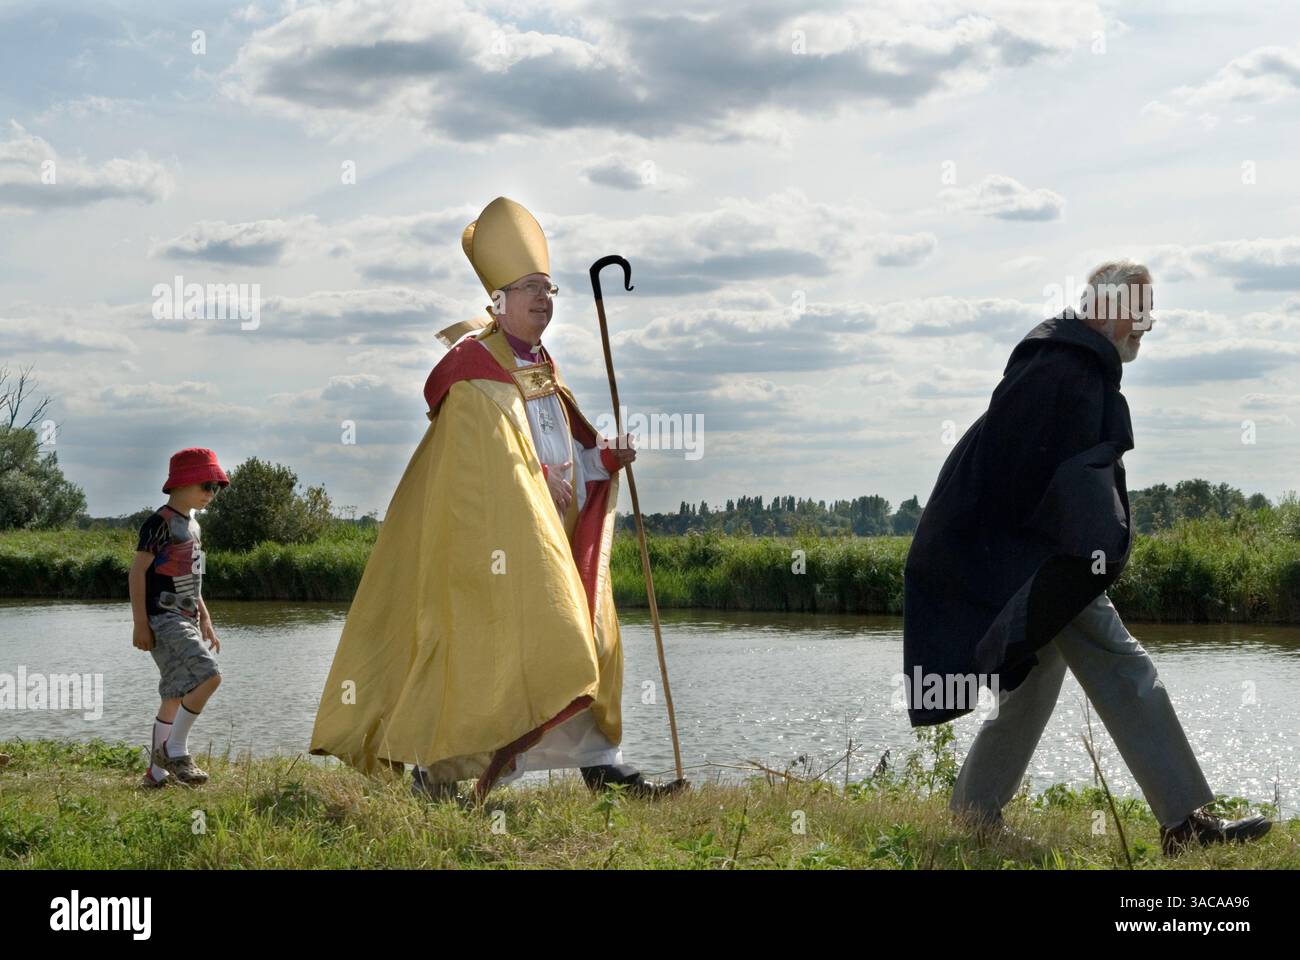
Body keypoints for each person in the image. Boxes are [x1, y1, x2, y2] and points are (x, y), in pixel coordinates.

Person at [310, 196, 685, 802]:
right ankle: (442, 776)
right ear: (497, 302)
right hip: (492, 555)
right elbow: (479, 480)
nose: (543, 299)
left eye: (548, 288)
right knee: (511, 649)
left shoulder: (543, 369)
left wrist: (602, 460)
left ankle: (603, 767)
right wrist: (534, 485)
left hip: (553, 541)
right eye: (528, 288)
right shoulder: (474, 372)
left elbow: (564, 465)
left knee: (591, 638)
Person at [902, 260, 1271, 856]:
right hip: (1038, 560)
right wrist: (1070, 554)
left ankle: (972, 819)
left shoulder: (1072, 363)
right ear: (1112, 308)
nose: (1147, 326)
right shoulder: (1058, 366)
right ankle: (1184, 824)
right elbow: (1018, 475)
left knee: (1035, 683)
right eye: (1142, 312)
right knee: (1125, 667)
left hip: (1036, 558)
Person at [130, 447, 228, 788]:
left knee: (173, 693)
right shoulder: (159, 523)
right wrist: (140, 622)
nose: (211, 494)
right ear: (184, 482)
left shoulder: (195, 526)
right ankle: (176, 750)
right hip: (164, 616)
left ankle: (155, 774)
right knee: (209, 675)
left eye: (216, 488)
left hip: (185, 617)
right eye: (207, 485)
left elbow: (194, 578)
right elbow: (137, 572)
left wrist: (205, 618)